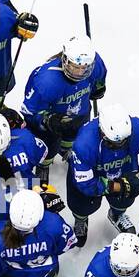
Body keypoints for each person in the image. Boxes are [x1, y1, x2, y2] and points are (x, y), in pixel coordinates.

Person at [66, 103, 139, 244]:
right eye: (114, 142)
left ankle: (117, 214)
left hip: (124, 166)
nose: (120, 145)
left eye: (124, 141)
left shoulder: (137, 129)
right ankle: (81, 220)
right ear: (102, 132)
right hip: (94, 173)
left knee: (129, 191)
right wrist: (119, 186)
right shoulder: (84, 145)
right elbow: (85, 183)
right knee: (82, 203)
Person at [21, 35, 108, 182]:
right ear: (65, 59)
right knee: (49, 146)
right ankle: (44, 163)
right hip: (55, 119)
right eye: (75, 66)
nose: (79, 73)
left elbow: (99, 79)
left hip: (80, 110)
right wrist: (47, 120)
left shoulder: (95, 63)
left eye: (84, 68)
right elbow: (29, 111)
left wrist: (98, 88)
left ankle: (67, 149)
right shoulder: (47, 80)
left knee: (75, 136)